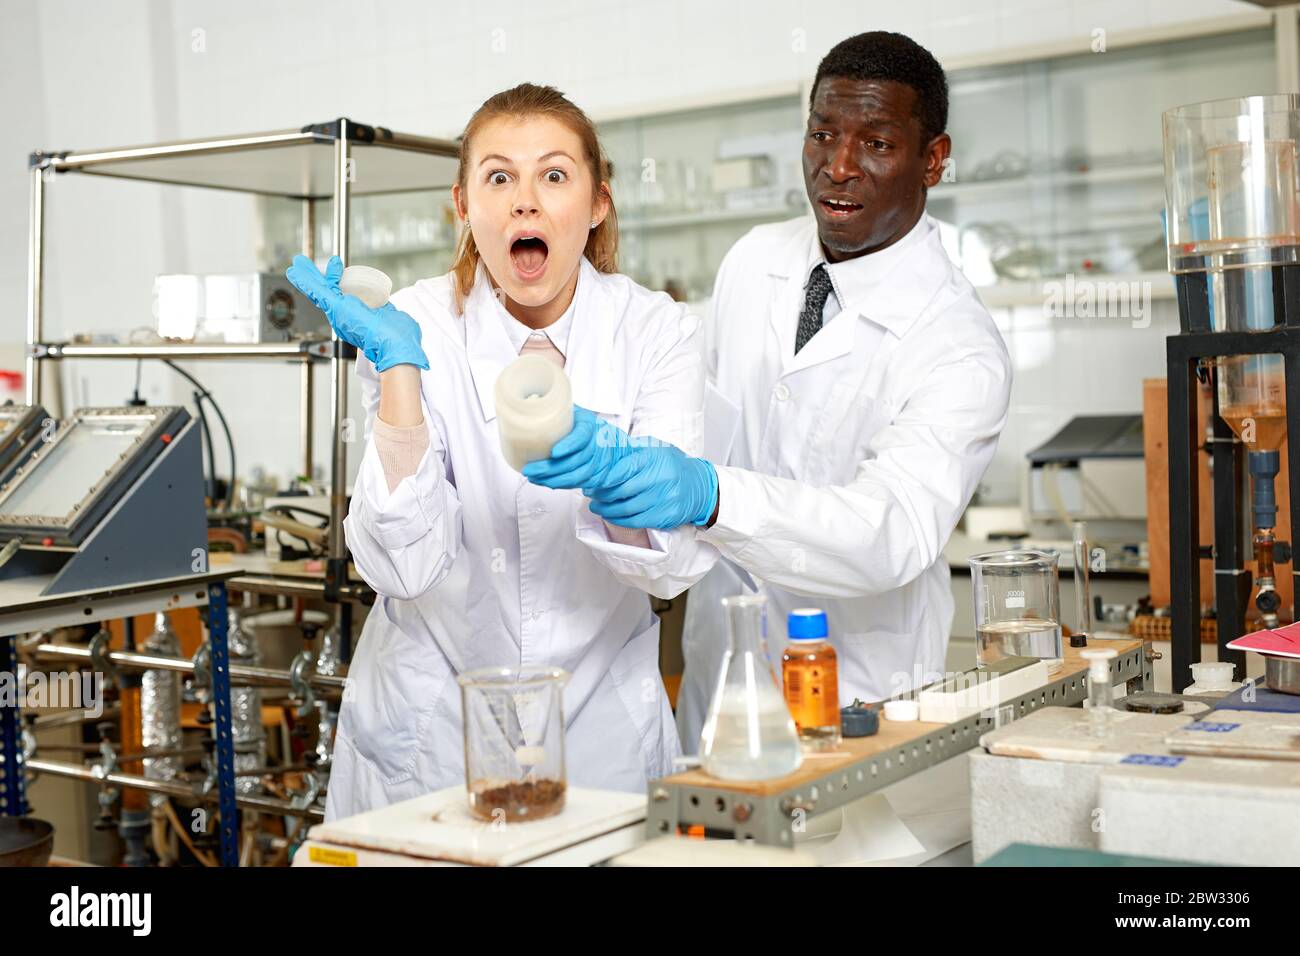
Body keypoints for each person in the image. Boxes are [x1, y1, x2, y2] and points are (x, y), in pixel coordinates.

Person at [525, 33, 1012, 750]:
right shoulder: (755, 261)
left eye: (876, 143)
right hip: (723, 681)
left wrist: (710, 495)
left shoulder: (958, 342)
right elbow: (703, 429)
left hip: (862, 701)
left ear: (932, 160)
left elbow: (891, 533)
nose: (838, 167)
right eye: (822, 134)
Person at [287, 83, 716, 819]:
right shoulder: (414, 325)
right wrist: (399, 371)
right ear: (463, 205)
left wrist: (613, 476)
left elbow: (672, 570)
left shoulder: (658, 333)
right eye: (498, 177)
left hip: (599, 724)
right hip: (435, 722)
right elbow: (403, 563)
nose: (525, 201)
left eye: (554, 175)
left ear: (599, 203)